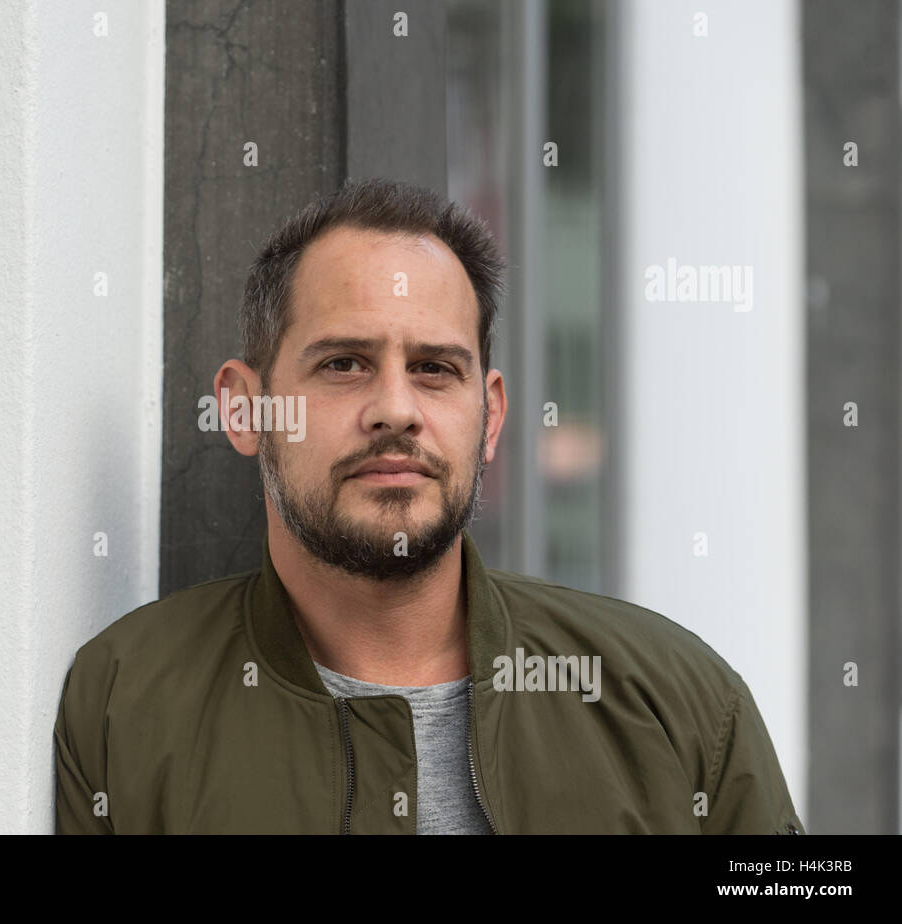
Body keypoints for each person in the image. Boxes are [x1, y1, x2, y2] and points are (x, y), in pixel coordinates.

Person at [53, 177, 804, 834]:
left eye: (435, 369)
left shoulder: (677, 703)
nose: (396, 410)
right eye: (344, 363)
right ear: (245, 412)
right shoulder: (126, 702)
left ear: (492, 417)